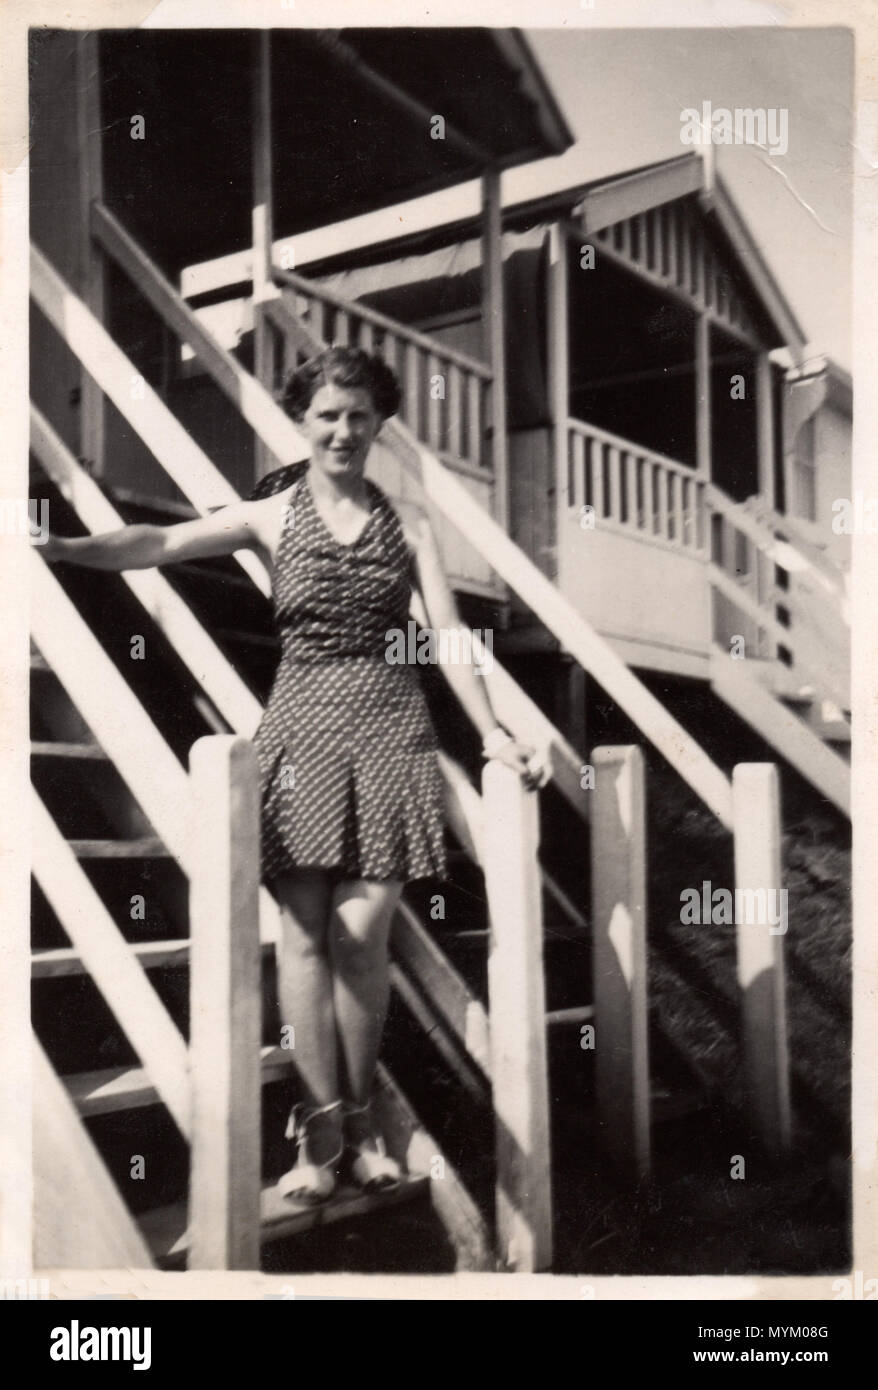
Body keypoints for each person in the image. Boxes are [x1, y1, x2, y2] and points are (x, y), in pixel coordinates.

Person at [39, 346, 544, 1204]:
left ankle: (360, 1124)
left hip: (389, 726)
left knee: (362, 933)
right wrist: (66, 546)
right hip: (302, 727)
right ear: (303, 423)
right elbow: (159, 539)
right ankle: (317, 1138)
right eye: (326, 416)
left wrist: (493, 730)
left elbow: (449, 637)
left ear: (380, 424)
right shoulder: (273, 514)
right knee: (305, 936)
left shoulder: (409, 520)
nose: (343, 431)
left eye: (358, 417)